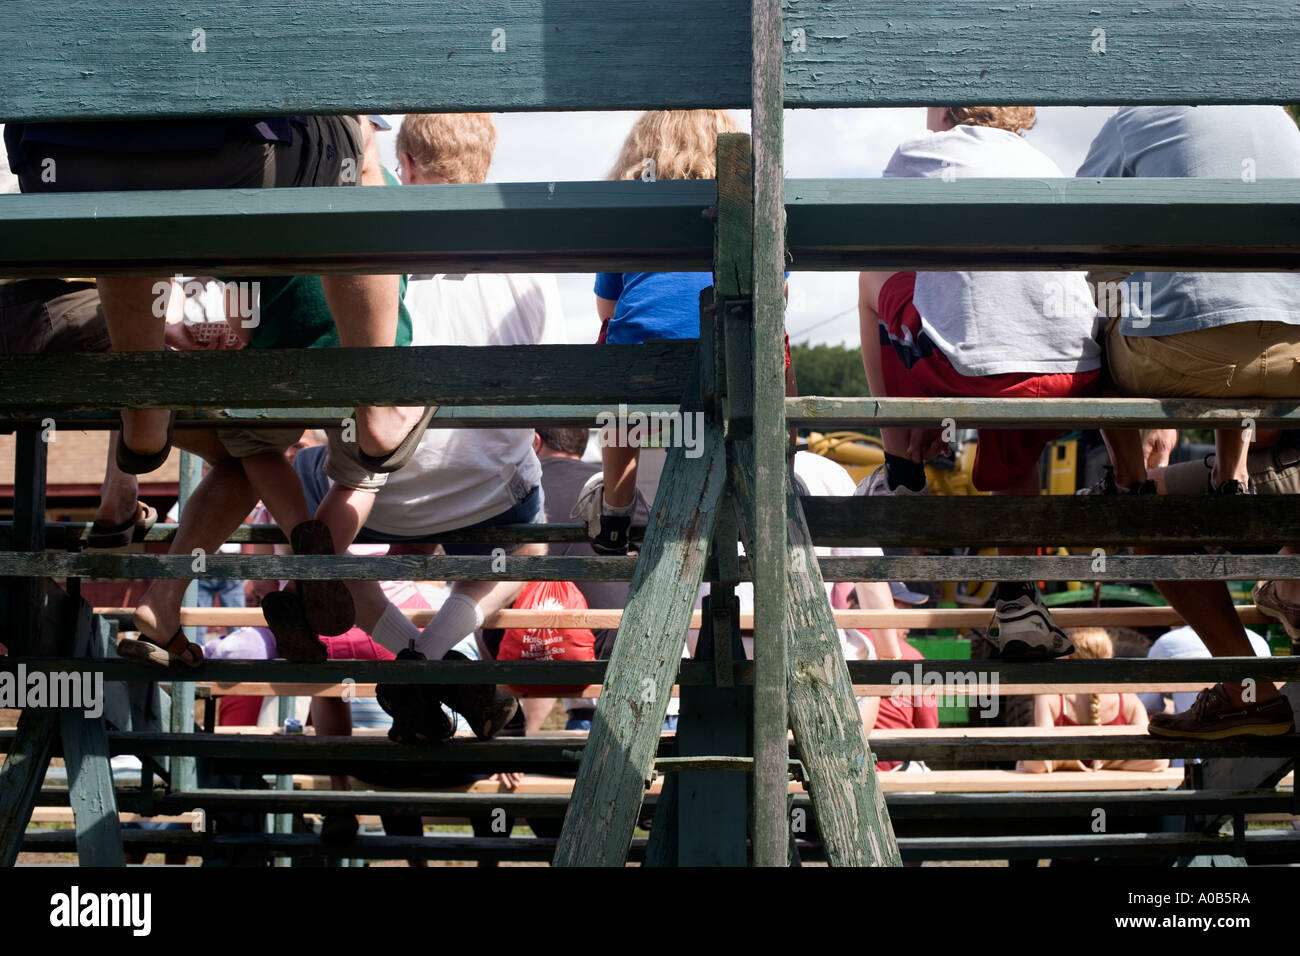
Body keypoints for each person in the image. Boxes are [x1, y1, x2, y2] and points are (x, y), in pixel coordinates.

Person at [292, 112, 570, 742]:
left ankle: (411, 659)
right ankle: (432, 659)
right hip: (488, 496)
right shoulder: (531, 264)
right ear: (487, 167)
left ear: (407, 168)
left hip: (376, 496)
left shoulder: (370, 251)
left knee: (307, 508)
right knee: (529, 548)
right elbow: (546, 394)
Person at [4, 116, 429, 491]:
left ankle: (145, 415)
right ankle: (376, 410)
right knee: (356, 141)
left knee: (125, 193)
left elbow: (239, 311)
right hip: (231, 157)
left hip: (59, 164)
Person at [120, 118, 408, 668]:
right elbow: (396, 273)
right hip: (358, 355)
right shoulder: (371, 178)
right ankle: (309, 566)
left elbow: (239, 307)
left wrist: (227, 332)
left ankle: (287, 551)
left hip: (267, 360)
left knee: (254, 449)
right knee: (363, 466)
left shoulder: (241, 184)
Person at [1075, 106, 1300, 739]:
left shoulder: (1135, 118)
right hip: (1295, 354)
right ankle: (1231, 478)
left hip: (1187, 353)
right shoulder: (1281, 120)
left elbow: (1082, 237)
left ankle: (1129, 485)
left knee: (1091, 324)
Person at [858, 106, 1102, 662]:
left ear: (945, 108)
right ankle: (1020, 605)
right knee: (1012, 421)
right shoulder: (1045, 162)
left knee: (871, 279)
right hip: (1070, 372)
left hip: (971, 369)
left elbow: (881, 243)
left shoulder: (921, 154)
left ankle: (900, 468)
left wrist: (923, 407)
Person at [580, 110, 749, 554]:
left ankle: (616, 508)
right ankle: (765, 482)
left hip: (642, 378)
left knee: (612, 343)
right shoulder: (745, 209)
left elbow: (607, 308)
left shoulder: (627, 210)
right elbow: (778, 295)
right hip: (733, 374)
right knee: (770, 336)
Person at [1017, 628, 1168, 774]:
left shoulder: (1050, 697)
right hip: (1115, 765)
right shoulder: (1127, 698)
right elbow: (1149, 748)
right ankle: (1103, 763)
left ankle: (1074, 764)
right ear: (1109, 657)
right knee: (1158, 759)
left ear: (1068, 659)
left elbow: (1043, 748)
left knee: (1033, 761)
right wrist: (1113, 761)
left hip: (1062, 765)